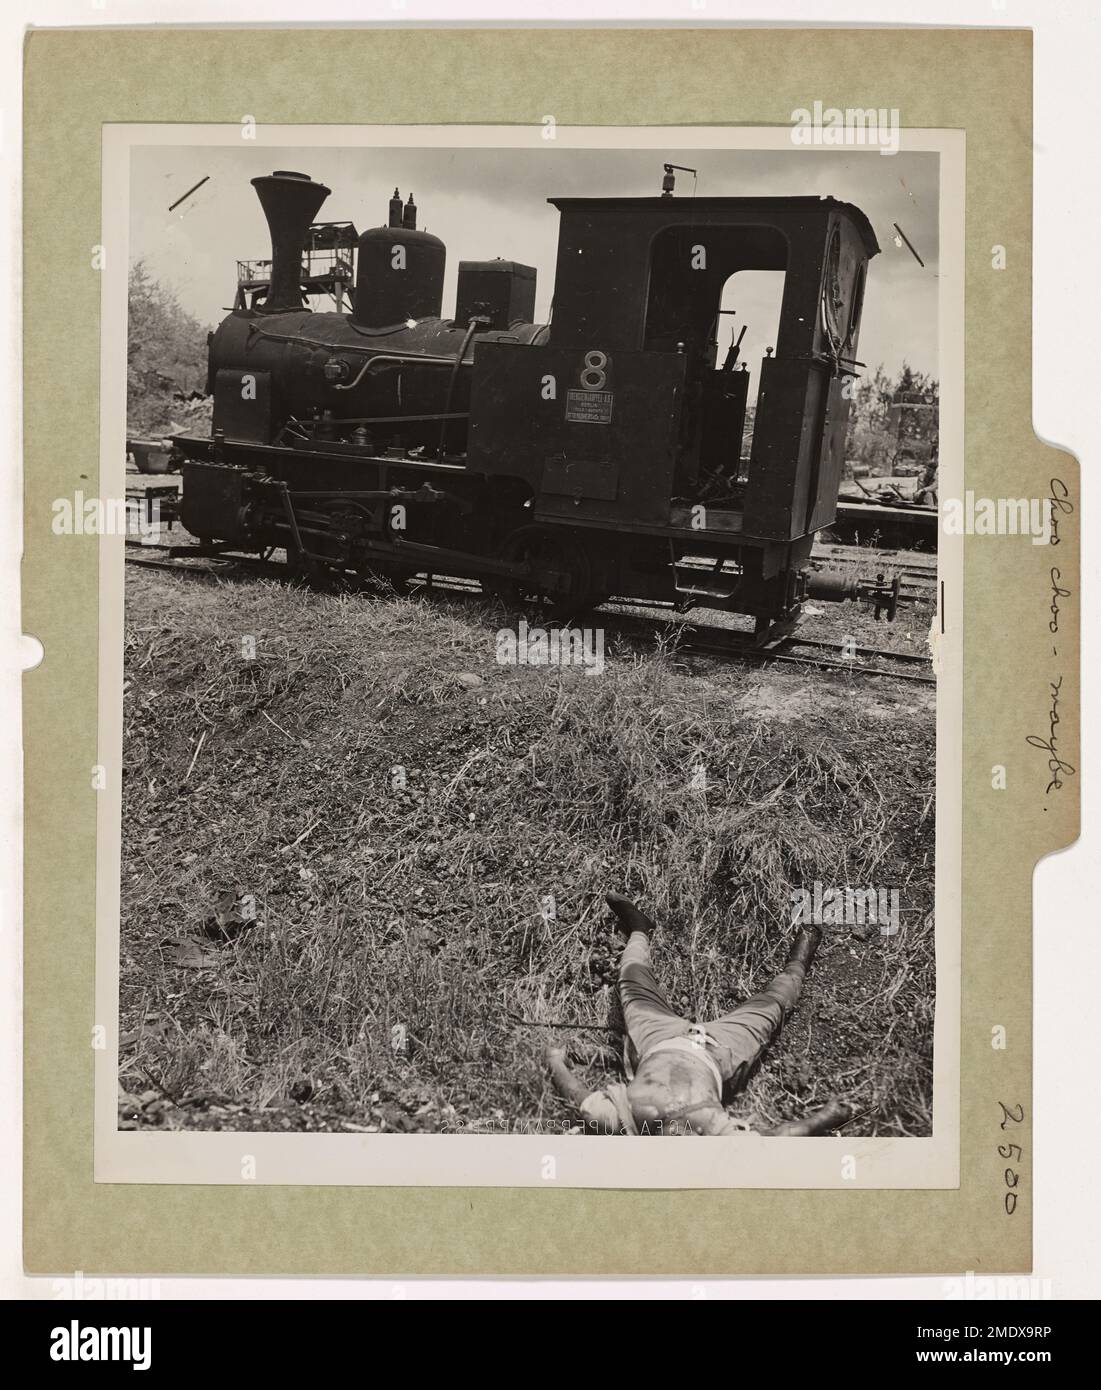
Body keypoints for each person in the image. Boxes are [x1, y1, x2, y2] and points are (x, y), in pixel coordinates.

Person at [546, 892, 850, 1136]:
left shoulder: (617, 1120)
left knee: (630, 978)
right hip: (721, 1051)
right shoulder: (709, 1134)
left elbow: (579, 1096)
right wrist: (827, 1117)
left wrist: (555, 1061)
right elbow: (775, 1140)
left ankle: (640, 929)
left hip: (656, 1038)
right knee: (774, 1003)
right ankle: (802, 952)